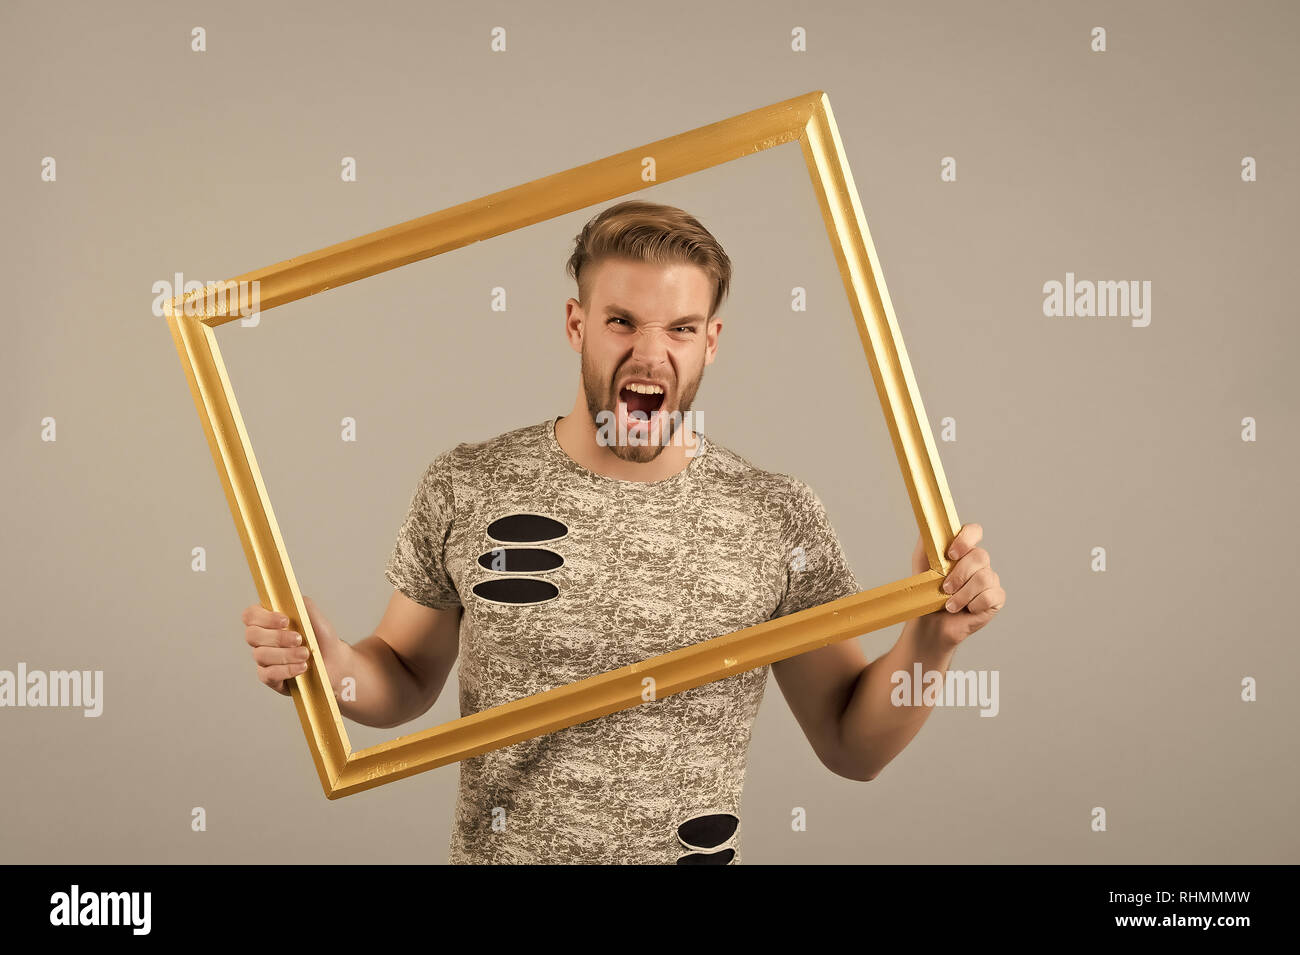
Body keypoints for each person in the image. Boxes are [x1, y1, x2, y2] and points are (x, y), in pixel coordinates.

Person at [240, 200, 1006, 864]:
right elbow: (403, 676)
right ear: (577, 325)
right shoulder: (468, 482)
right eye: (622, 322)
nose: (650, 352)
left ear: (711, 341)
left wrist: (930, 641)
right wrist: (330, 666)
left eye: (679, 326)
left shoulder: (776, 513)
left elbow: (852, 744)